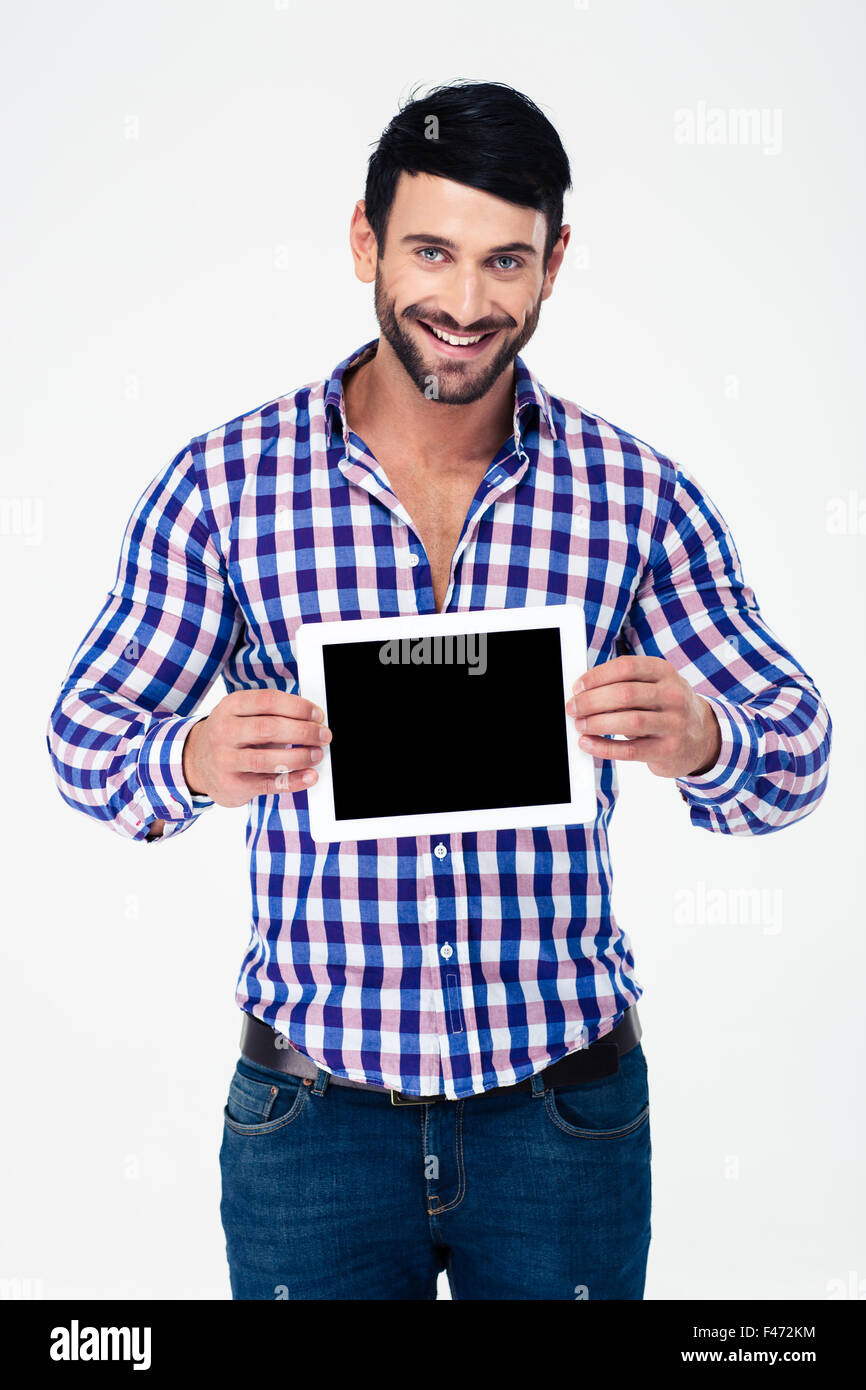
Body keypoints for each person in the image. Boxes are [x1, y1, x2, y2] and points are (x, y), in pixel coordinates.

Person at [46, 80, 831, 1301]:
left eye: (504, 262)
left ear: (553, 262)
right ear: (363, 241)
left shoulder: (632, 494)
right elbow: (84, 735)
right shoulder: (222, 485)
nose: (465, 305)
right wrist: (192, 760)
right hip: (311, 1118)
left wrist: (701, 734)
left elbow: (796, 754)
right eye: (429, 251)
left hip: (561, 1115)